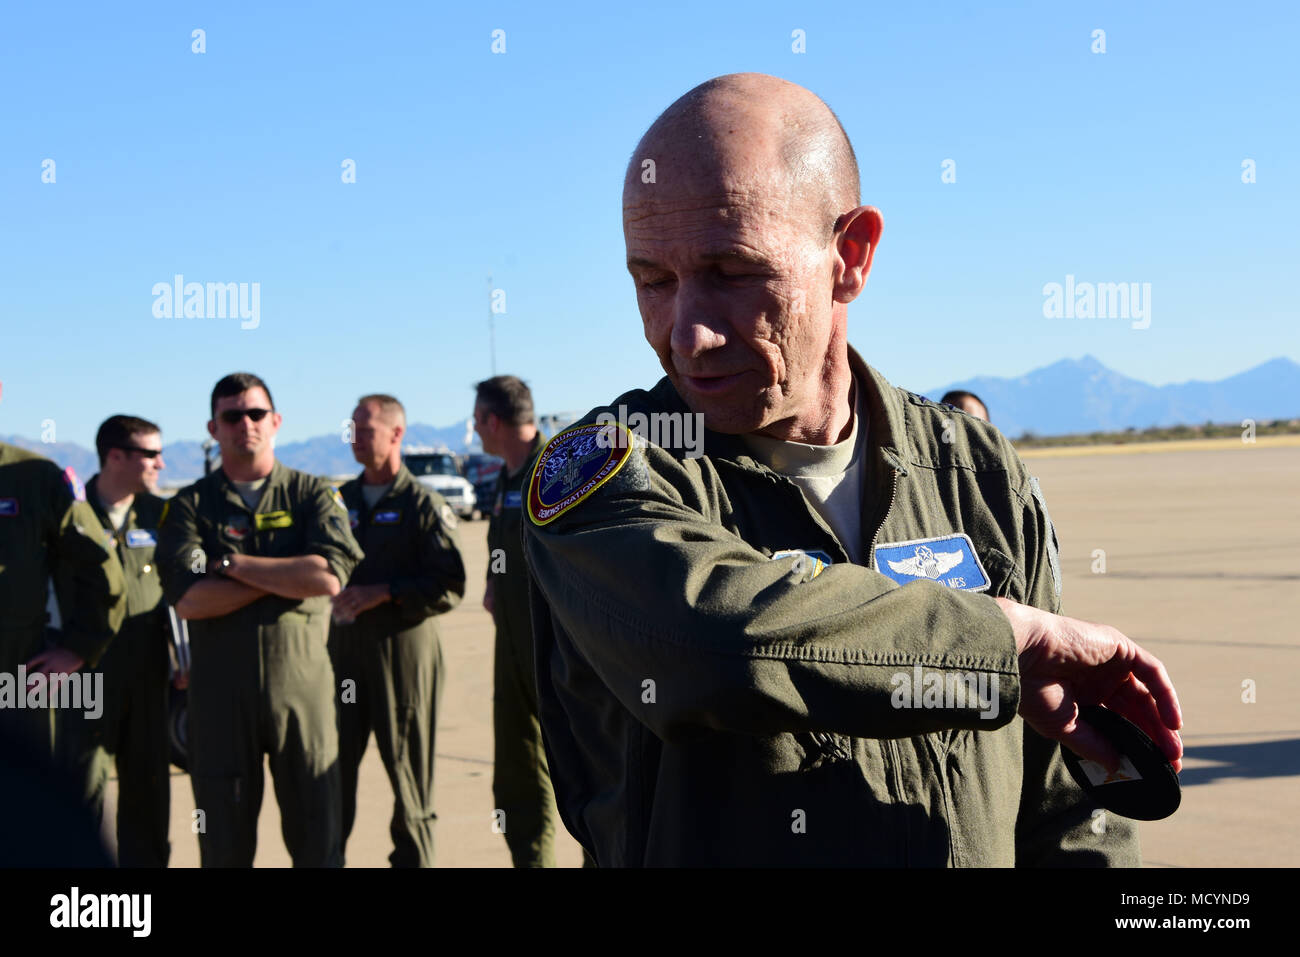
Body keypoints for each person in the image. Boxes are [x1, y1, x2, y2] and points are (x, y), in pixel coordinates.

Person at [520, 73, 1183, 867]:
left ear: (852, 255)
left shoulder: (974, 472)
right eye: (653, 281)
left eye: (732, 271)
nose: (687, 332)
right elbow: (720, 640)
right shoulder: (604, 478)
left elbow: (1066, 799)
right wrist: (1002, 640)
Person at [156, 372, 363, 867]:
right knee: (223, 848)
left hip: (303, 696)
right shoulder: (189, 505)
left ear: (276, 421)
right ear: (213, 428)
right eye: (232, 416)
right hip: (219, 702)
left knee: (319, 844)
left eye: (255, 413)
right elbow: (189, 601)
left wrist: (230, 565)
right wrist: (285, 577)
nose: (245, 424)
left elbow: (328, 577)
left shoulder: (313, 495)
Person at [329, 394, 465, 867]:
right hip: (342, 654)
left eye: (366, 430)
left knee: (410, 782)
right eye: (352, 429)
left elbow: (450, 584)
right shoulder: (338, 503)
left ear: (396, 434)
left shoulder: (422, 504)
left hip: (403, 654)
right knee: (328, 780)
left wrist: (386, 592)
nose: (355, 439)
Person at [61, 415, 173, 866]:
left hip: (149, 671)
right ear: (115, 457)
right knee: (82, 785)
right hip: (86, 674)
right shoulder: (70, 512)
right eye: (151, 454)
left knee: (148, 789)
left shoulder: (161, 514)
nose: (160, 464)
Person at [0, 380, 126, 759]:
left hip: (17, 681)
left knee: (21, 792)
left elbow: (100, 568)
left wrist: (78, 648)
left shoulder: (36, 479)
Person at [472, 376, 559, 867]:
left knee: (589, 773)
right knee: (517, 773)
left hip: (557, 651)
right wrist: (494, 582)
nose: (474, 431)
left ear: (492, 421)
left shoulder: (555, 469)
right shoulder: (507, 477)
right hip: (511, 650)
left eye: (476, 420)